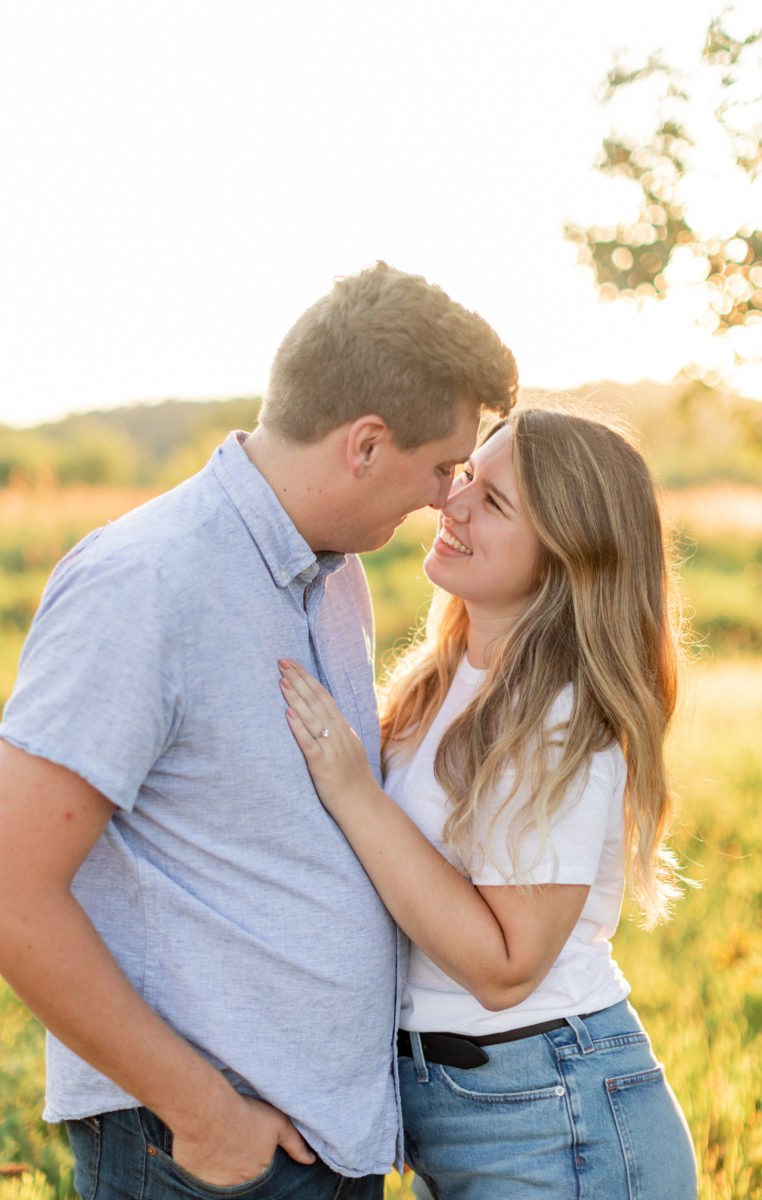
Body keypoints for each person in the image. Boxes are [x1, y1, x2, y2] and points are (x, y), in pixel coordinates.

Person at [0, 262, 518, 1199]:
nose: (447, 497)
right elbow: (9, 886)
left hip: (324, 1139)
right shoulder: (146, 581)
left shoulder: (335, 580)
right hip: (205, 1153)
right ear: (365, 444)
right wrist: (205, 1116)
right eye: (442, 466)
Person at [279, 405, 699, 1199]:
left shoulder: (561, 714)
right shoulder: (436, 683)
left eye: (494, 502)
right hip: (468, 1107)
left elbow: (507, 968)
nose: (453, 503)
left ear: (566, 557)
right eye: (467, 476)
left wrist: (353, 792)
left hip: (553, 1117)